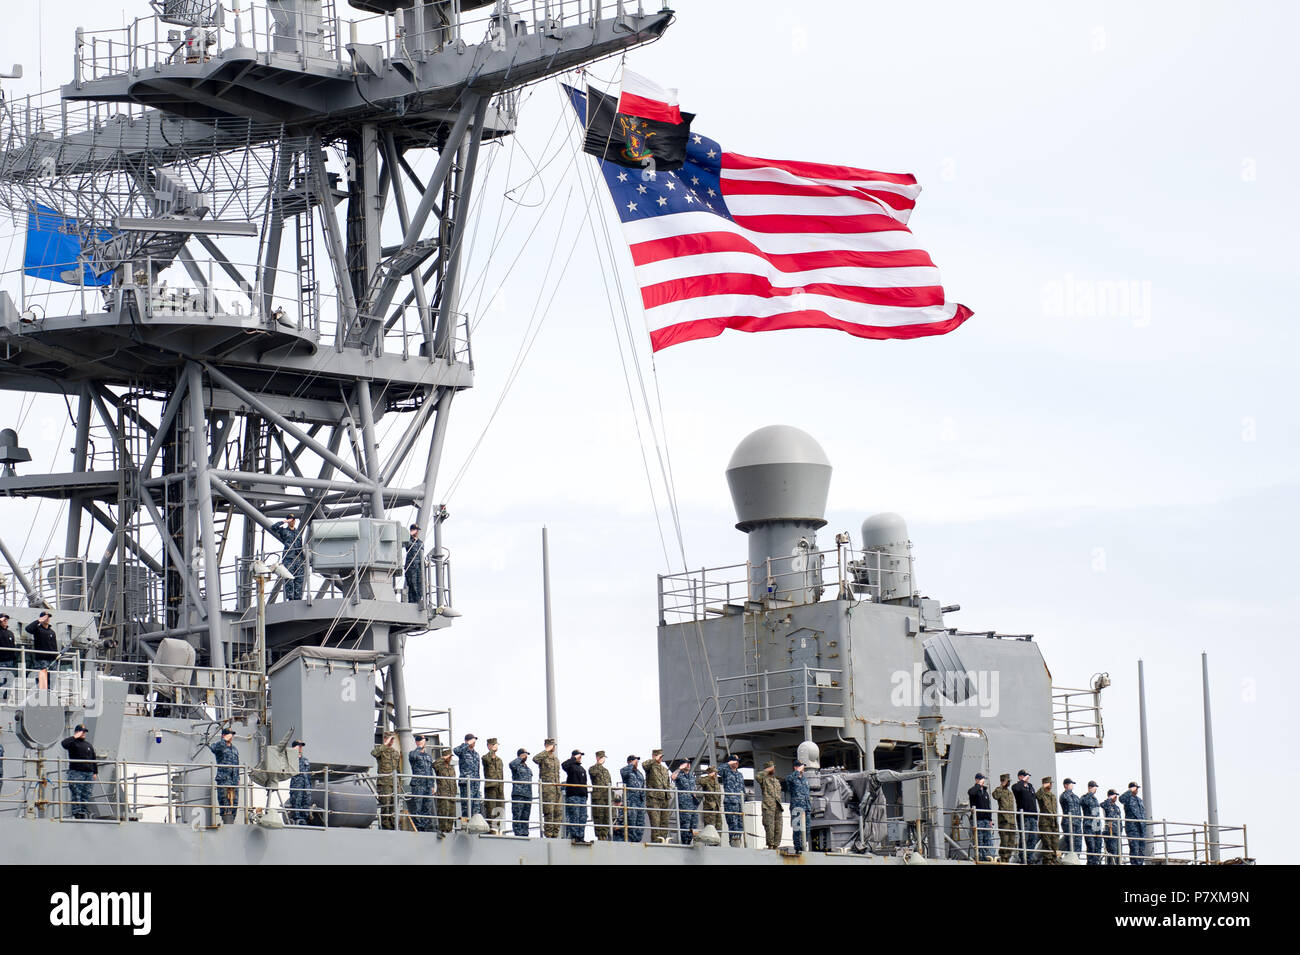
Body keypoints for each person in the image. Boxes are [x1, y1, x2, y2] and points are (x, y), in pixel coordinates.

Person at [61, 724, 98, 820]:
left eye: (84, 732)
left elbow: (93, 759)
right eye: (82, 731)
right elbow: (64, 744)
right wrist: (74, 737)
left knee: (86, 794)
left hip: (88, 773)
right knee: (76, 792)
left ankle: (84, 811)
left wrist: (95, 772)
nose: (84, 733)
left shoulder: (88, 745)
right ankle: (77, 812)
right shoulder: (73, 743)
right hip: (76, 772)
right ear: (77, 732)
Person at [371, 731, 402, 830]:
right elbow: (373, 753)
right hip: (384, 783)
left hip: (394, 784)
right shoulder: (381, 750)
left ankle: (393, 824)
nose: (392, 741)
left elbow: (398, 770)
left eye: (392, 739)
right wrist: (384, 744)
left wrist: (399, 784)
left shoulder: (395, 753)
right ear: (385, 739)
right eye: (390, 739)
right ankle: (385, 826)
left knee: (393, 806)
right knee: (386, 805)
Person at [268, 516, 305, 601]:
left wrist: (302, 559)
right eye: (290, 520)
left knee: (299, 579)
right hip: (289, 558)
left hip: (298, 558)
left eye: (293, 520)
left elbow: (300, 546)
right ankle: (290, 598)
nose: (292, 522)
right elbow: (273, 527)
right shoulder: (284, 531)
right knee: (289, 578)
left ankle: (298, 598)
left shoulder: (298, 533)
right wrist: (284, 521)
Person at [210, 727, 240, 824]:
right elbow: (213, 748)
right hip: (224, 778)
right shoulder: (219, 745)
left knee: (234, 803)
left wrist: (238, 778)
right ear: (224, 735)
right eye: (230, 734)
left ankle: (232, 821)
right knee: (224, 801)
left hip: (234, 779)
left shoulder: (234, 749)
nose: (232, 736)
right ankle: (226, 822)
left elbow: (237, 763)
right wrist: (224, 740)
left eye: (232, 734)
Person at [533, 738, 562, 838]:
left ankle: (555, 834)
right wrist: (546, 750)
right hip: (547, 790)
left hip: (557, 790)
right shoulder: (543, 757)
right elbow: (535, 759)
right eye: (552, 745)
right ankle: (549, 835)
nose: (554, 747)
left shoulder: (556, 759)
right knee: (549, 812)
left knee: (558, 813)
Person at [643, 748, 672, 843]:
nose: (661, 758)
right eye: (659, 756)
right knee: (656, 823)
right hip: (654, 799)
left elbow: (667, 783)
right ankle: (656, 843)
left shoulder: (664, 769)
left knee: (664, 823)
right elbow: (644, 765)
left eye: (661, 756)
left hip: (664, 799)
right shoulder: (650, 767)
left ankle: (663, 842)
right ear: (654, 756)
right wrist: (654, 760)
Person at [560, 749, 589, 842]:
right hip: (573, 796)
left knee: (583, 817)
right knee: (574, 816)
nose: (580, 758)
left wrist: (586, 796)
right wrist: (573, 758)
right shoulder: (570, 766)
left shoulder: (582, 769)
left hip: (582, 797)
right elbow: (564, 765)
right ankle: (575, 836)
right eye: (579, 756)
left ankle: (581, 836)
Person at [784, 760, 812, 854]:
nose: (802, 768)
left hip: (806, 808)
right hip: (797, 807)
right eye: (800, 766)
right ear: (795, 767)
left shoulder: (805, 780)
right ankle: (798, 848)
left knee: (807, 828)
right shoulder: (791, 778)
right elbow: (789, 780)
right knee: (797, 828)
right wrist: (797, 771)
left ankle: (804, 845)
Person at [408, 735, 434, 832]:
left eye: (425, 741)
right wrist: (419, 747)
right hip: (418, 785)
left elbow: (430, 771)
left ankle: (426, 827)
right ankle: (418, 828)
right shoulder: (413, 753)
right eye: (423, 741)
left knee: (427, 807)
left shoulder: (428, 756)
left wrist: (432, 785)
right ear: (418, 742)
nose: (425, 743)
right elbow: (413, 756)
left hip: (427, 785)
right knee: (417, 808)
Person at [452, 733, 481, 820]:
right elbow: (456, 750)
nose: (474, 742)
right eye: (472, 740)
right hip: (466, 783)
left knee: (476, 808)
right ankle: (465, 827)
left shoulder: (476, 754)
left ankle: (474, 828)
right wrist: (467, 744)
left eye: (474, 740)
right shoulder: (463, 751)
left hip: (475, 784)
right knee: (466, 807)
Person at [25, 610, 58, 687]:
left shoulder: (52, 632)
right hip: (42, 660)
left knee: (52, 681)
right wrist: (38, 621)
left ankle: (49, 696)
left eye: (48, 617)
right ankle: (41, 696)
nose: (47, 618)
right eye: (45, 617)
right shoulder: (37, 629)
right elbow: (28, 629)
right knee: (42, 682)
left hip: (52, 661)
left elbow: (54, 645)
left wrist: (56, 656)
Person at [1012, 769, 1038, 864]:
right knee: (1024, 838)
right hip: (1024, 817)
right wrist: (1022, 781)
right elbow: (1016, 789)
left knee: (1033, 838)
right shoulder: (1016, 786)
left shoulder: (1030, 787)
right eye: (1025, 776)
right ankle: (1023, 857)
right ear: (1020, 777)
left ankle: (1029, 857)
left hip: (1032, 816)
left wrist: (1036, 816)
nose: (1028, 777)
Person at [719, 754, 745, 847]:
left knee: (740, 825)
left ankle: (738, 844)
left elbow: (743, 789)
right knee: (733, 825)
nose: (737, 763)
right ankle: (734, 845)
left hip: (739, 804)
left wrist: (744, 801)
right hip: (730, 803)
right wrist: (728, 763)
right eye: (735, 761)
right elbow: (719, 771)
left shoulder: (740, 774)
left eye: (738, 761)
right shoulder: (726, 771)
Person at [1119, 781, 1149, 864]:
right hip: (1132, 828)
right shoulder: (1127, 798)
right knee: (1134, 849)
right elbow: (1121, 799)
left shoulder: (1139, 800)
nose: (1137, 790)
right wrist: (1130, 791)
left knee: (1141, 850)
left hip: (1141, 828)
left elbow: (1143, 813)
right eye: (1136, 788)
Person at [968, 772, 994, 861]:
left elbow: (988, 806)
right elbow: (971, 793)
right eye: (982, 779)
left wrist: (990, 819)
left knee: (987, 839)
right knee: (979, 840)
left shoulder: (985, 792)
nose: (983, 781)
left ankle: (988, 857)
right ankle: (981, 858)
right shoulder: (974, 790)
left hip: (986, 820)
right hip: (978, 820)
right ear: (977, 780)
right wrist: (978, 785)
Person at [991, 773, 1017, 863]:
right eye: (1007, 781)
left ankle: (1007, 858)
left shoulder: (1010, 793)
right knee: (1005, 841)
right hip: (1004, 821)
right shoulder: (999, 791)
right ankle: (1003, 859)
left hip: (1012, 821)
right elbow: (995, 796)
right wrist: (1001, 786)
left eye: (1009, 781)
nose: (1008, 783)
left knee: (1012, 842)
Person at [620, 754, 646, 843]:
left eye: (637, 761)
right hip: (631, 802)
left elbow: (642, 786)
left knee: (640, 824)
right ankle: (631, 841)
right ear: (629, 761)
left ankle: (637, 841)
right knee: (631, 822)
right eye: (635, 760)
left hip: (640, 802)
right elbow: (623, 773)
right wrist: (631, 765)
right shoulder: (626, 771)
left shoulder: (639, 773)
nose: (636, 762)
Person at [757, 761, 783, 849]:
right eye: (772, 767)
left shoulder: (776, 781)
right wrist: (767, 770)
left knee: (778, 827)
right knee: (769, 826)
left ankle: (776, 845)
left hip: (778, 806)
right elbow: (758, 776)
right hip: (768, 806)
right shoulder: (764, 779)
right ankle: (770, 845)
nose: (773, 769)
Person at [509, 747, 533, 836]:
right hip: (518, 794)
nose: (526, 756)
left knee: (526, 816)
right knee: (517, 815)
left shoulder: (528, 768)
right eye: (525, 754)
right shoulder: (516, 766)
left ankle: (525, 833)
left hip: (528, 795)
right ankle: (518, 833)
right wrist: (520, 758)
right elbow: (511, 765)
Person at [482, 737, 505, 832]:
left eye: (496, 745)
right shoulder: (485, 757)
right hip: (490, 787)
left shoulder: (499, 760)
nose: (496, 746)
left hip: (499, 787)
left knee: (500, 808)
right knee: (491, 808)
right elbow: (487, 760)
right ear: (489, 746)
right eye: (494, 745)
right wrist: (491, 750)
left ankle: (498, 828)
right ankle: (491, 828)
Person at [589, 750, 613, 840]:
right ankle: (599, 836)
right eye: (602, 757)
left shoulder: (606, 771)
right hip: (598, 797)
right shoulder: (593, 768)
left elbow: (610, 783)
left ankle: (605, 835)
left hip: (606, 797)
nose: (604, 759)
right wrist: (598, 763)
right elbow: (593, 773)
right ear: (598, 758)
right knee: (599, 817)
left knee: (606, 817)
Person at [1036, 776, 1060, 864]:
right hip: (1045, 823)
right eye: (1049, 783)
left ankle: (1054, 860)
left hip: (1053, 823)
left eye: (1051, 783)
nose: (1051, 785)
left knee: (1055, 843)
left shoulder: (1053, 796)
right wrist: (1043, 787)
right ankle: (1047, 861)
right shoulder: (1041, 794)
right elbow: (1037, 795)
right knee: (1047, 843)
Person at [433, 747, 457, 833]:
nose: (450, 758)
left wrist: (455, 792)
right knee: (443, 812)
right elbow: (434, 764)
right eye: (449, 756)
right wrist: (443, 758)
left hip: (451, 795)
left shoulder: (451, 768)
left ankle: (449, 830)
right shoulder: (439, 766)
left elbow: (454, 781)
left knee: (451, 814)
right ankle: (442, 830)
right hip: (443, 794)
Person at [1059, 778, 1084, 858]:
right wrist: (1069, 792)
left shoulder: (1075, 797)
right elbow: (1065, 799)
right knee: (1070, 844)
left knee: (1078, 844)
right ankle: (1069, 861)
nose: (1072, 785)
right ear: (1066, 785)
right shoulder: (1064, 796)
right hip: (1068, 823)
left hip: (1077, 823)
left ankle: (1075, 860)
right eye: (1071, 784)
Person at [1080, 781, 1104, 865]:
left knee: (1098, 847)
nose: (1096, 789)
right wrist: (1090, 793)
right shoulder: (1084, 797)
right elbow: (1083, 802)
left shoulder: (1095, 799)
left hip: (1097, 826)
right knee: (1091, 847)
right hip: (1089, 826)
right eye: (1094, 787)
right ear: (1090, 787)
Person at [288, 740, 311, 825]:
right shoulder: (291, 759)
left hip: (306, 783)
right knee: (296, 799)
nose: (301, 747)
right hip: (297, 783)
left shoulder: (305, 760)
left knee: (306, 799)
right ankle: (297, 817)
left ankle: (305, 816)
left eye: (301, 746)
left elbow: (308, 773)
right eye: (299, 745)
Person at [697, 763, 723, 834]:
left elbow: (719, 796)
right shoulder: (706, 780)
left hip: (717, 808)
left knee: (719, 826)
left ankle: (717, 843)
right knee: (709, 827)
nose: (715, 775)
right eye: (714, 773)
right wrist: (709, 776)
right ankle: (709, 844)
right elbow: (699, 781)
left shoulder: (716, 782)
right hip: (709, 808)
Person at [1101, 788, 1123, 865]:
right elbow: (1102, 805)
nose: (1116, 797)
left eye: (1116, 795)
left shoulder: (1117, 808)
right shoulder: (1107, 805)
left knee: (1118, 853)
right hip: (1110, 832)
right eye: (1114, 795)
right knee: (1112, 853)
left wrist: (1121, 830)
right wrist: (1109, 798)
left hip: (1117, 833)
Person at [403, 524, 424, 605]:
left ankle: (418, 601)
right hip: (411, 567)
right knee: (412, 586)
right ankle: (413, 602)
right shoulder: (409, 541)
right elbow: (405, 545)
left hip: (419, 567)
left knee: (420, 586)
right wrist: (410, 535)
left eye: (417, 530)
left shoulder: (420, 542)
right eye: (415, 530)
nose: (417, 531)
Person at [0, 612, 15, 701]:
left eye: (6, 619)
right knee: (2, 681)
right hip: (1, 661)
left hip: (10, 662)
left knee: (9, 682)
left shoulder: (10, 633)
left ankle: (6, 699)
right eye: (3, 619)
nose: (5, 620)